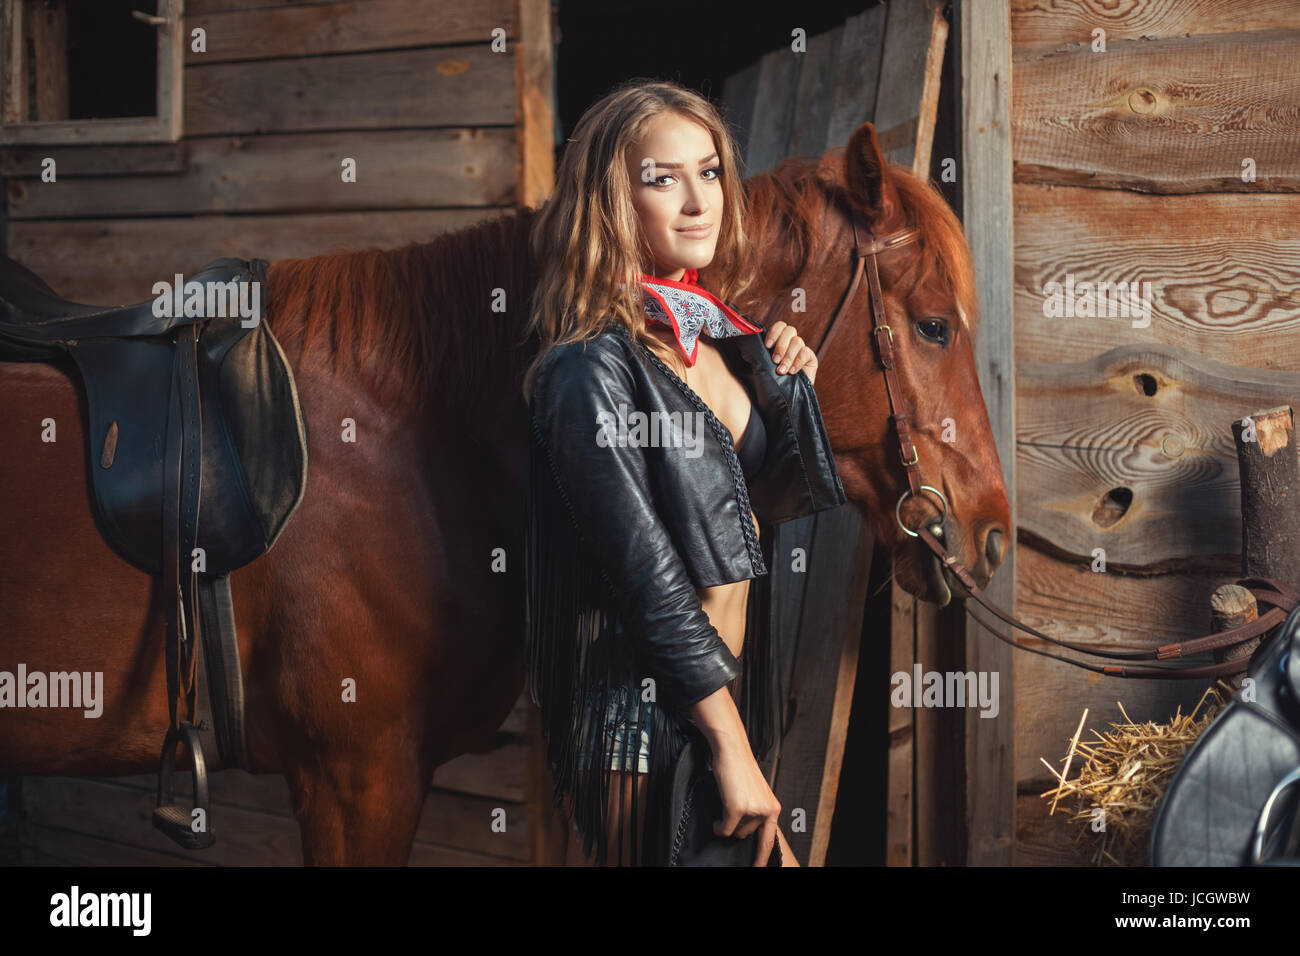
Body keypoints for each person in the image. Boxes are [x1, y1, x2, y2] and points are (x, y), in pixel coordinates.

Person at [522, 78, 845, 867]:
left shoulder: (715, 339)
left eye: (709, 172)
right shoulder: (587, 369)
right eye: (661, 178)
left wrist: (781, 385)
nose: (699, 201)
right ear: (610, 203)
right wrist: (729, 749)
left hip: (726, 696)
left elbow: (765, 505)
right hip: (642, 715)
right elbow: (644, 577)